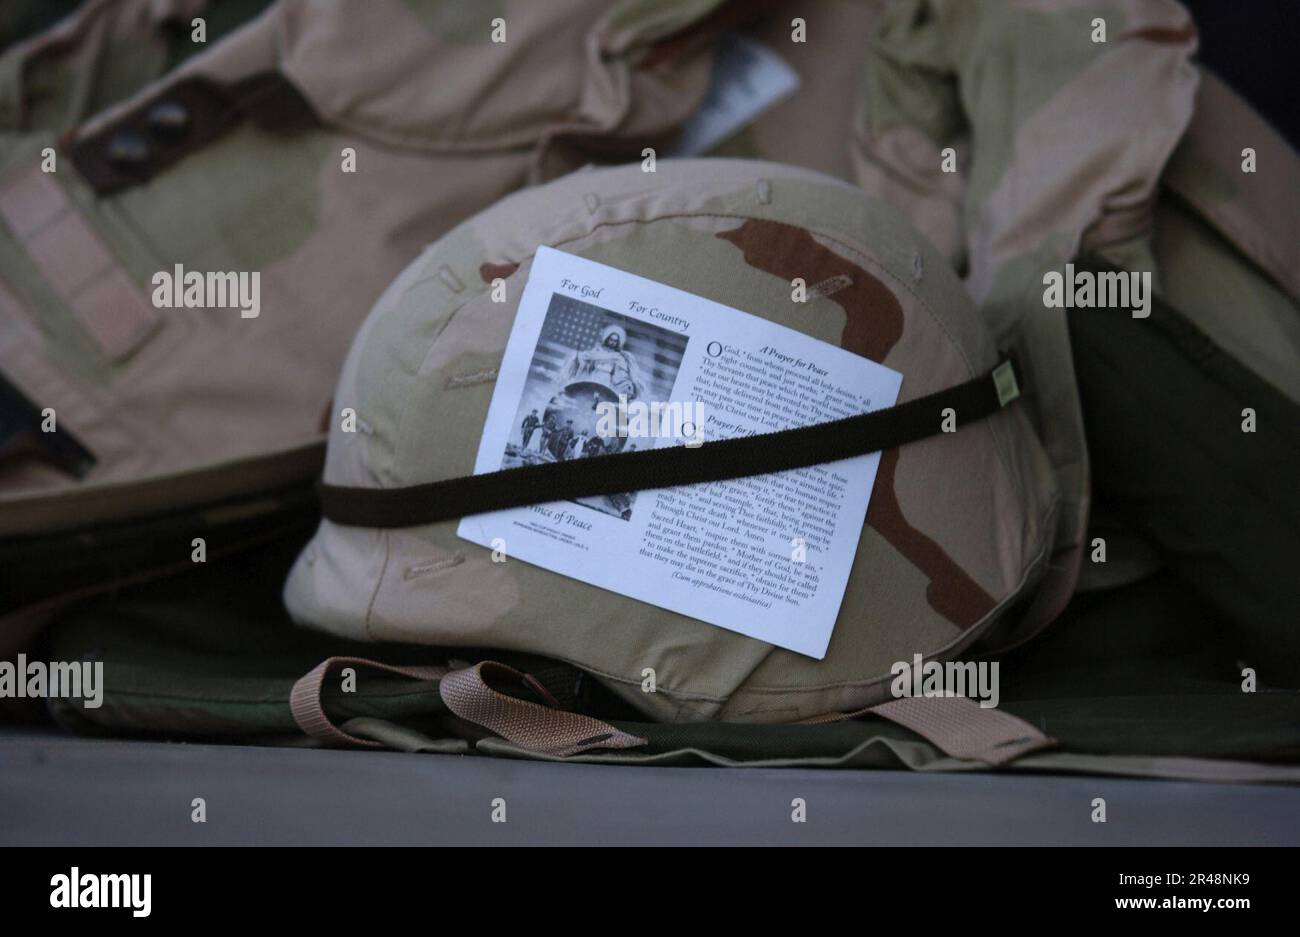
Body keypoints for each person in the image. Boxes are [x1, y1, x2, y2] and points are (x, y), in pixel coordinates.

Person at [559, 323, 644, 400]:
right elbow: (585, 359)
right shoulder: (597, 350)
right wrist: (578, 360)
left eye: (615, 341)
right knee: (588, 395)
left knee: (600, 398)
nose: (612, 342)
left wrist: (625, 383)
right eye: (611, 340)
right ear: (607, 339)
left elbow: (619, 374)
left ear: (618, 343)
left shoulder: (618, 356)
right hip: (593, 376)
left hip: (605, 379)